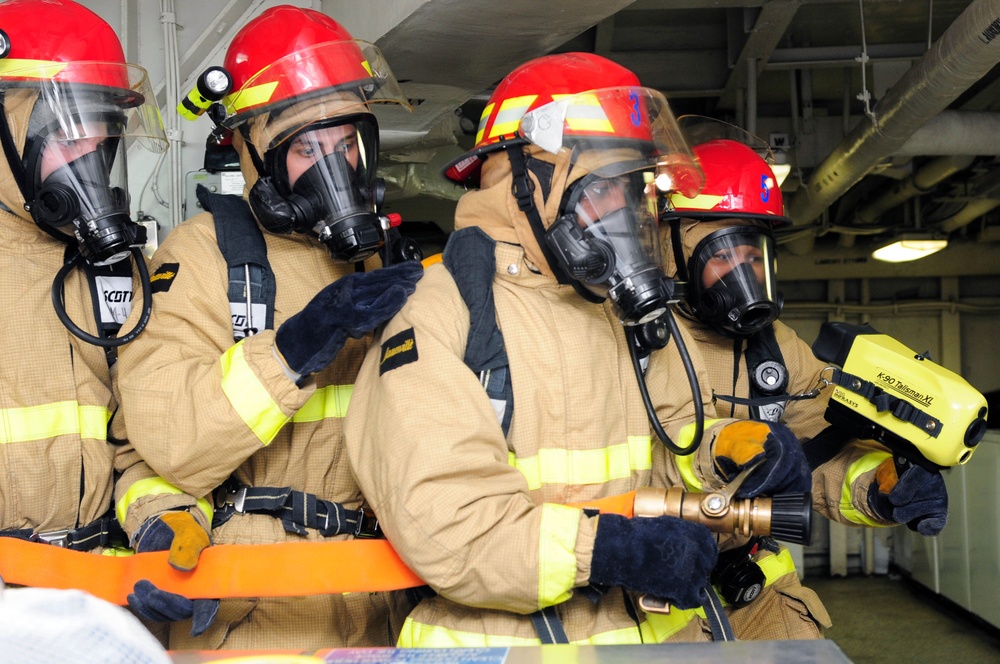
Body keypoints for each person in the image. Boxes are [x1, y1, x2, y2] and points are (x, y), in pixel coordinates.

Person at [344, 52, 812, 646]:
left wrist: (727, 453)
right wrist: (604, 550)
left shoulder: (616, 310)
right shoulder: (442, 310)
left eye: (634, 194)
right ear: (524, 183)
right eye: (604, 193)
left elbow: (675, 435)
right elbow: (443, 520)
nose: (628, 216)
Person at [117, 5, 423, 651]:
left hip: (372, 599)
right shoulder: (202, 255)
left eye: (347, 145)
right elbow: (170, 438)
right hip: (253, 606)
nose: (334, 168)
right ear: (255, 151)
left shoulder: (379, 261)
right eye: (307, 148)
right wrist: (293, 349)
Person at [660, 134, 949, 640]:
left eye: (753, 256)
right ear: (671, 252)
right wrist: (730, 449)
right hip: (651, 596)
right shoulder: (627, 341)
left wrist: (882, 483)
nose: (744, 274)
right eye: (724, 255)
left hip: (753, 586)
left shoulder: (773, 344)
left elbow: (820, 444)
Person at [0, 0, 211, 572]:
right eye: (69, 143)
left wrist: (164, 521)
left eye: (101, 147)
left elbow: (137, 441)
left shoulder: (116, 268)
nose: (88, 169)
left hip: (97, 588)